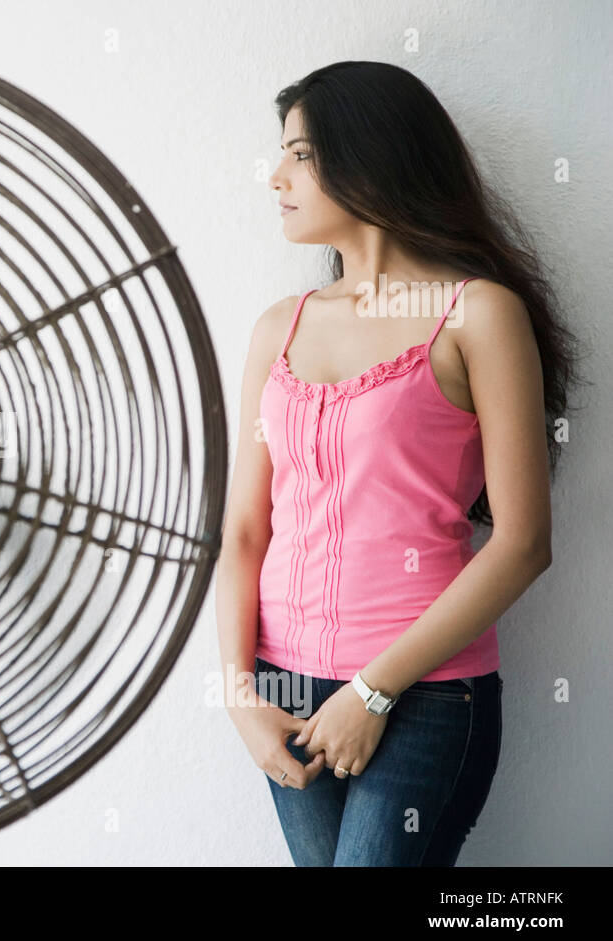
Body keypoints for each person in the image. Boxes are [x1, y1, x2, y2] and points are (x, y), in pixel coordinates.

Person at [215, 61, 579, 866]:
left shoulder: (477, 314)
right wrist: (241, 697)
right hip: (282, 689)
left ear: (369, 155)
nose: (275, 177)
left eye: (300, 154)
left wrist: (374, 690)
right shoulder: (277, 326)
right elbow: (244, 529)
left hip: (424, 696)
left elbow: (523, 542)